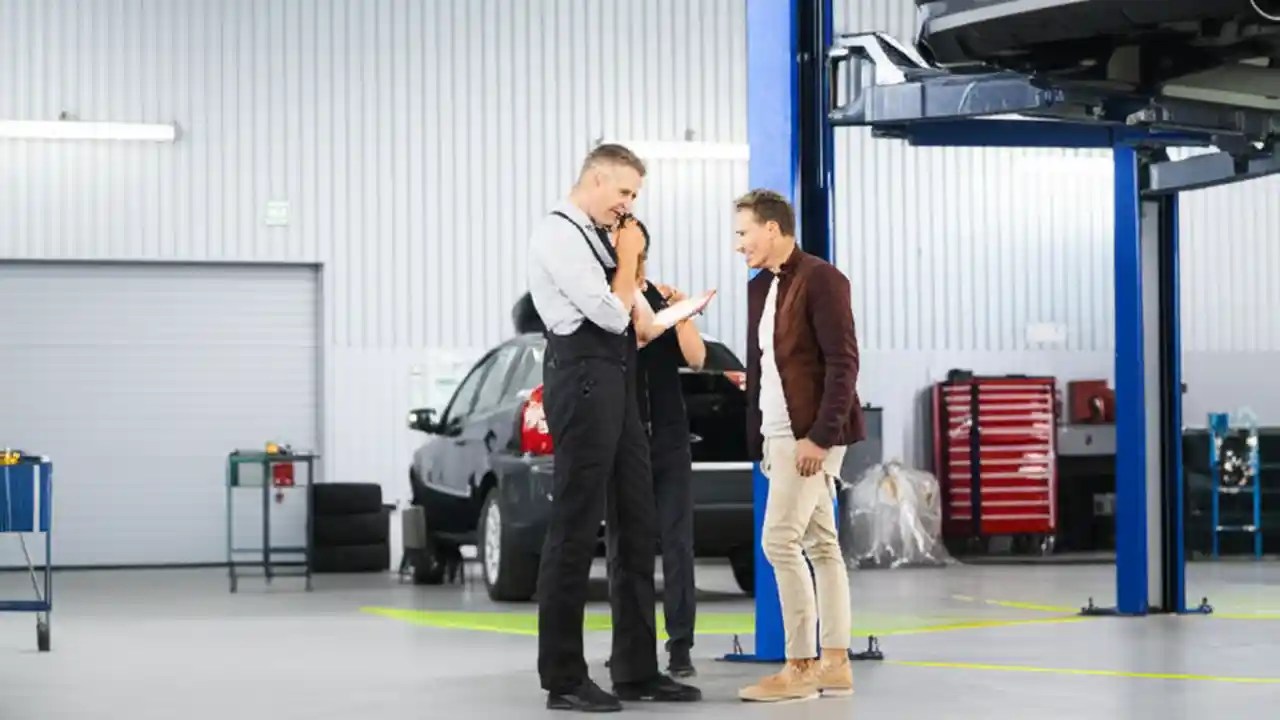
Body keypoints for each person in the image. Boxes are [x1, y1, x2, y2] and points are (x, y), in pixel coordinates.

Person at [526, 143, 702, 712]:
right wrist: (628, 258)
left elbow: (633, 321)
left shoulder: (603, 236)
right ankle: (563, 678)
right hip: (581, 380)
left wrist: (666, 305)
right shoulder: (558, 233)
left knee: (637, 518)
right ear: (595, 180)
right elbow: (606, 312)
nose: (626, 207)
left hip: (618, 379)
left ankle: (635, 668)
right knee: (576, 527)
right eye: (623, 193)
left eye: (633, 198)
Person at [731, 189, 865, 703]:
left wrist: (821, 437)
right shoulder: (762, 288)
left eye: (743, 233)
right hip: (778, 432)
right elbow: (773, 364)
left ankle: (800, 666)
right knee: (820, 545)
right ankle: (834, 661)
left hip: (806, 437)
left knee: (779, 542)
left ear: (771, 228)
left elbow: (843, 363)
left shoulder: (821, 278)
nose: (739, 244)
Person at [628, 226, 706, 679]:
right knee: (631, 545)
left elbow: (695, 358)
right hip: (628, 436)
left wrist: (681, 313)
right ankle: (633, 644)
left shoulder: (661, 296)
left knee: (678, 542)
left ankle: (680, 646)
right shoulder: (608, 297)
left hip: (670, 435)